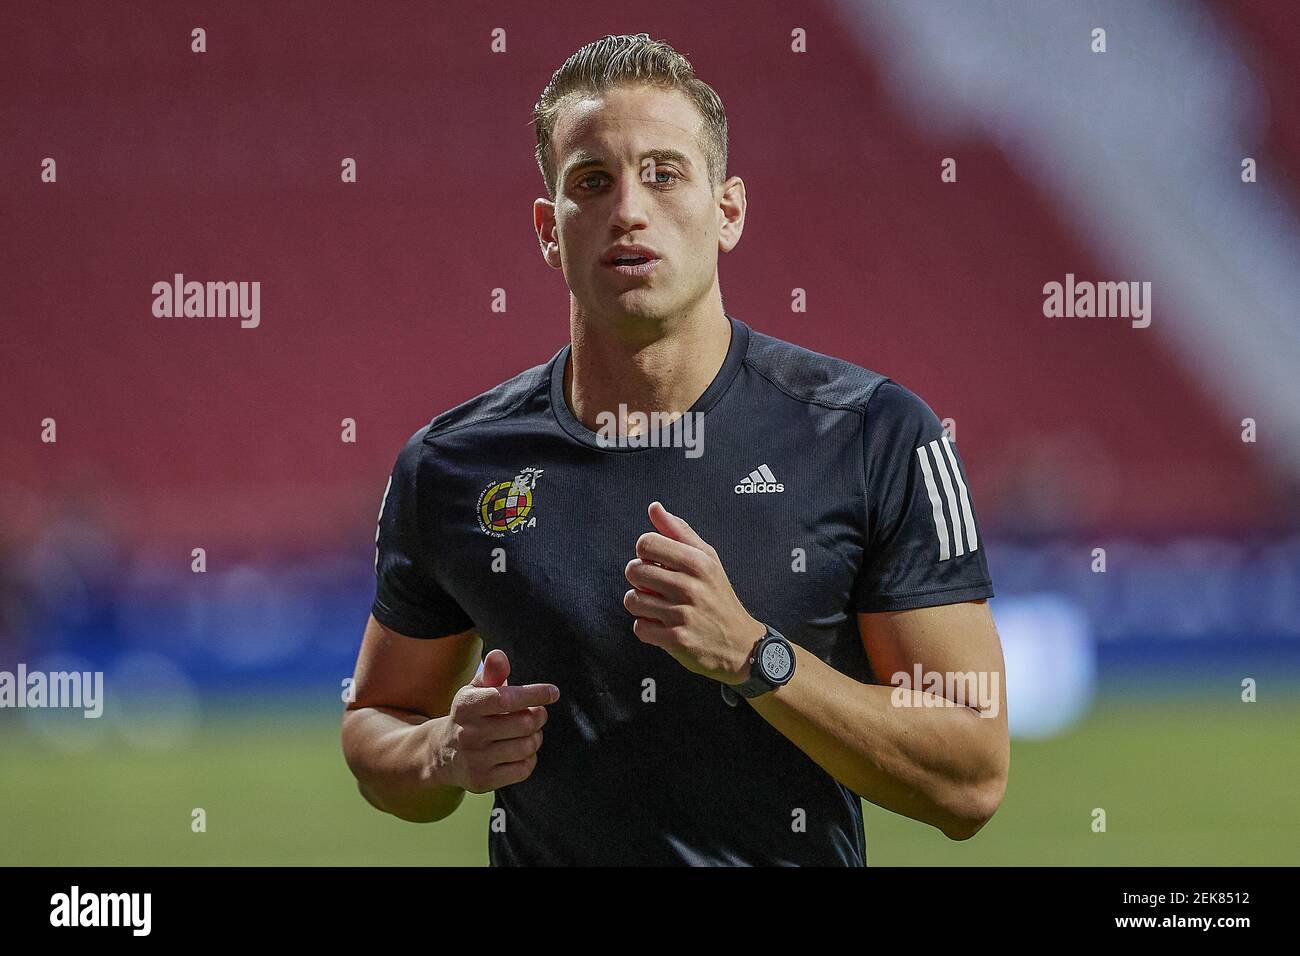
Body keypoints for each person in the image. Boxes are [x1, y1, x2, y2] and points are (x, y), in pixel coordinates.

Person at [341, 33, 1008, 866]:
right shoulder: (452, 465)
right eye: (594, 181)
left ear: (726, 211)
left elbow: (971, 780)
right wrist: (442, 753)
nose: (629, 209)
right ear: (551, 231)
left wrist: (755, 657)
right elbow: (376, 721)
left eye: (663, 173)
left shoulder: (872, 433)